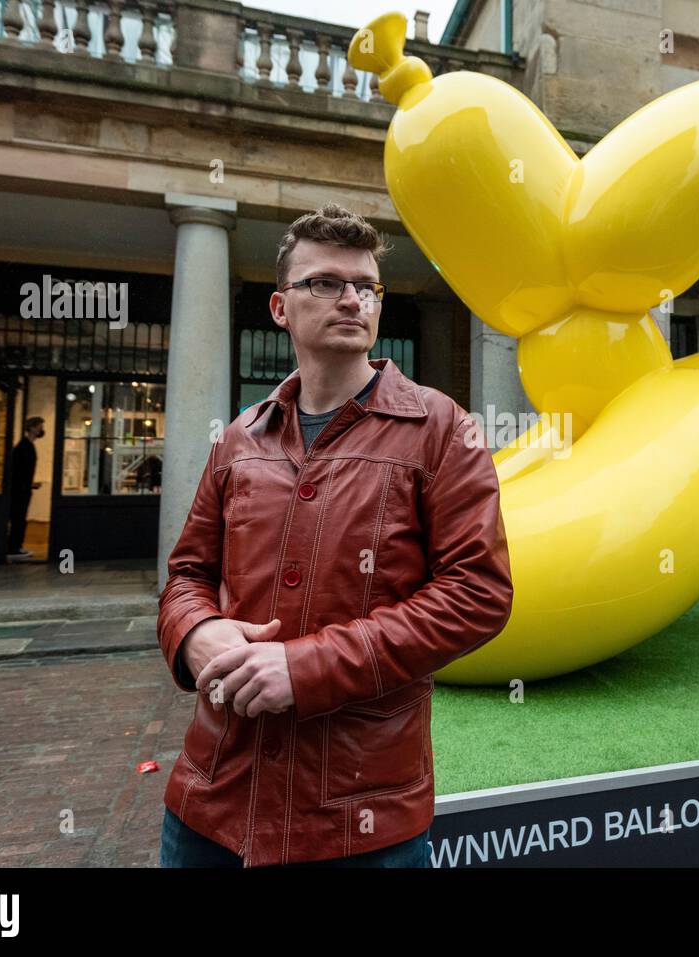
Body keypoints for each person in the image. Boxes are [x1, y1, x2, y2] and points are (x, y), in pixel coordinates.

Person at [157, 203, 513, 868]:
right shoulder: (239, 438)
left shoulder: (442, 428)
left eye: (367, 286)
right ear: (280, 308)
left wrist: (304, 667)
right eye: (325, 283)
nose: (352, 299)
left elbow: (478, 594)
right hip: (211, 802)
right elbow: (186, 575)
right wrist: (195, 635)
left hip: (360, 821)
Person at [7, 415, 45, 562]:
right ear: (32, 428)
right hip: (19, 490)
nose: (41, 430)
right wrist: (28, 484)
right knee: (18, 517)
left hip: (23, 488)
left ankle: (16, 546)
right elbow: (18, 471)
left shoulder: (27, 446)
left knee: (20, 518)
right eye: (39, 427)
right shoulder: (24, 447)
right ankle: (13, 547)